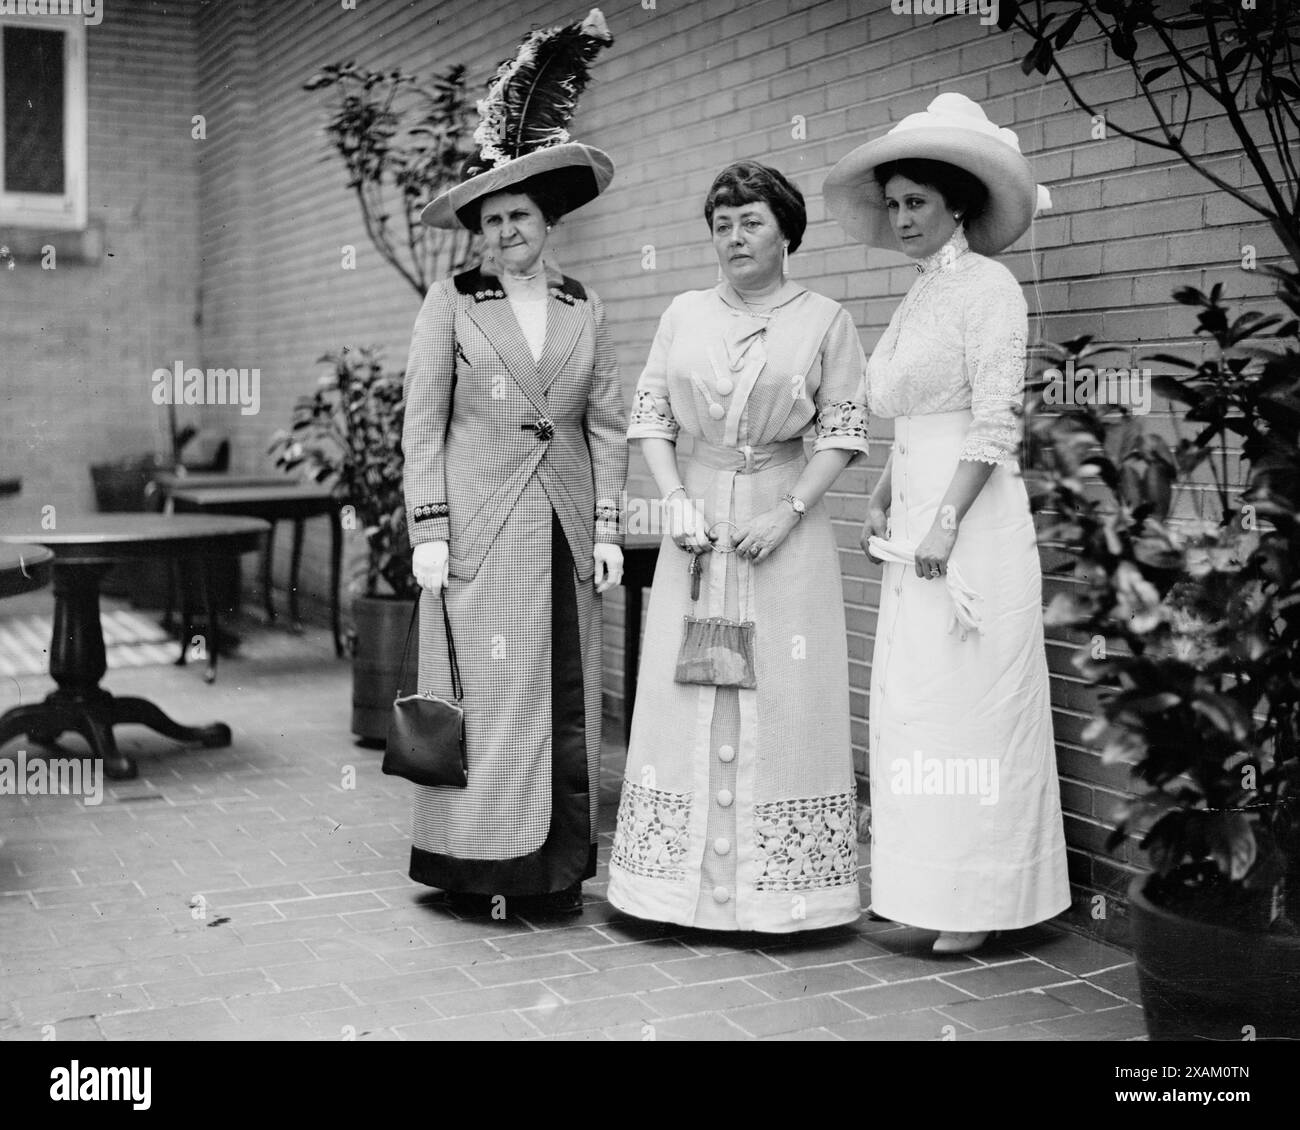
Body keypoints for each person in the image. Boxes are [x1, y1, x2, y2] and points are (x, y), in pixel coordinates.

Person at [823, 92, 1070, 953]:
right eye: (892, 206)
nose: (902, 219)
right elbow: (917, 410)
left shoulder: (989, 289)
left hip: (974, 518)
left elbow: (995, 420)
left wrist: (946, 523)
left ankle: (983, 898)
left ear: (957, 203)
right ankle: (919, 886)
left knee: (972, 707)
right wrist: (886, 491)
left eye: (916, 203)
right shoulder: (922, 294)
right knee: (917, 706)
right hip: (919, 511)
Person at [401, 9, 626, 914]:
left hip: (565, 527)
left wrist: (609, 523)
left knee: (563, 702)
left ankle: (553, 873)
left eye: (519, 215)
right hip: (479, 529)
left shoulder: (584, 305)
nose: (503, 232)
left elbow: (605, 423)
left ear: (548, 219)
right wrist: (428, 529)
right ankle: (477, 867)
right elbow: (423, 420)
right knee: (487, 699)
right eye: (489, 219)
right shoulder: (450, 302)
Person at [606, 161, 868, 933]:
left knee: (783, 695)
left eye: (750, 222)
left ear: (787, 231)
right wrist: (675, 502)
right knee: (683, 691)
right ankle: (668, 891)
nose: (734, 238)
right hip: (695, 529)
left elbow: (845, 432)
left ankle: (782, 897)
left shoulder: (826, 319)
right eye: (721, 225)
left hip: (781, 535)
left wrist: (786, 513)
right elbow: (651, 419)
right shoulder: (684, 312)